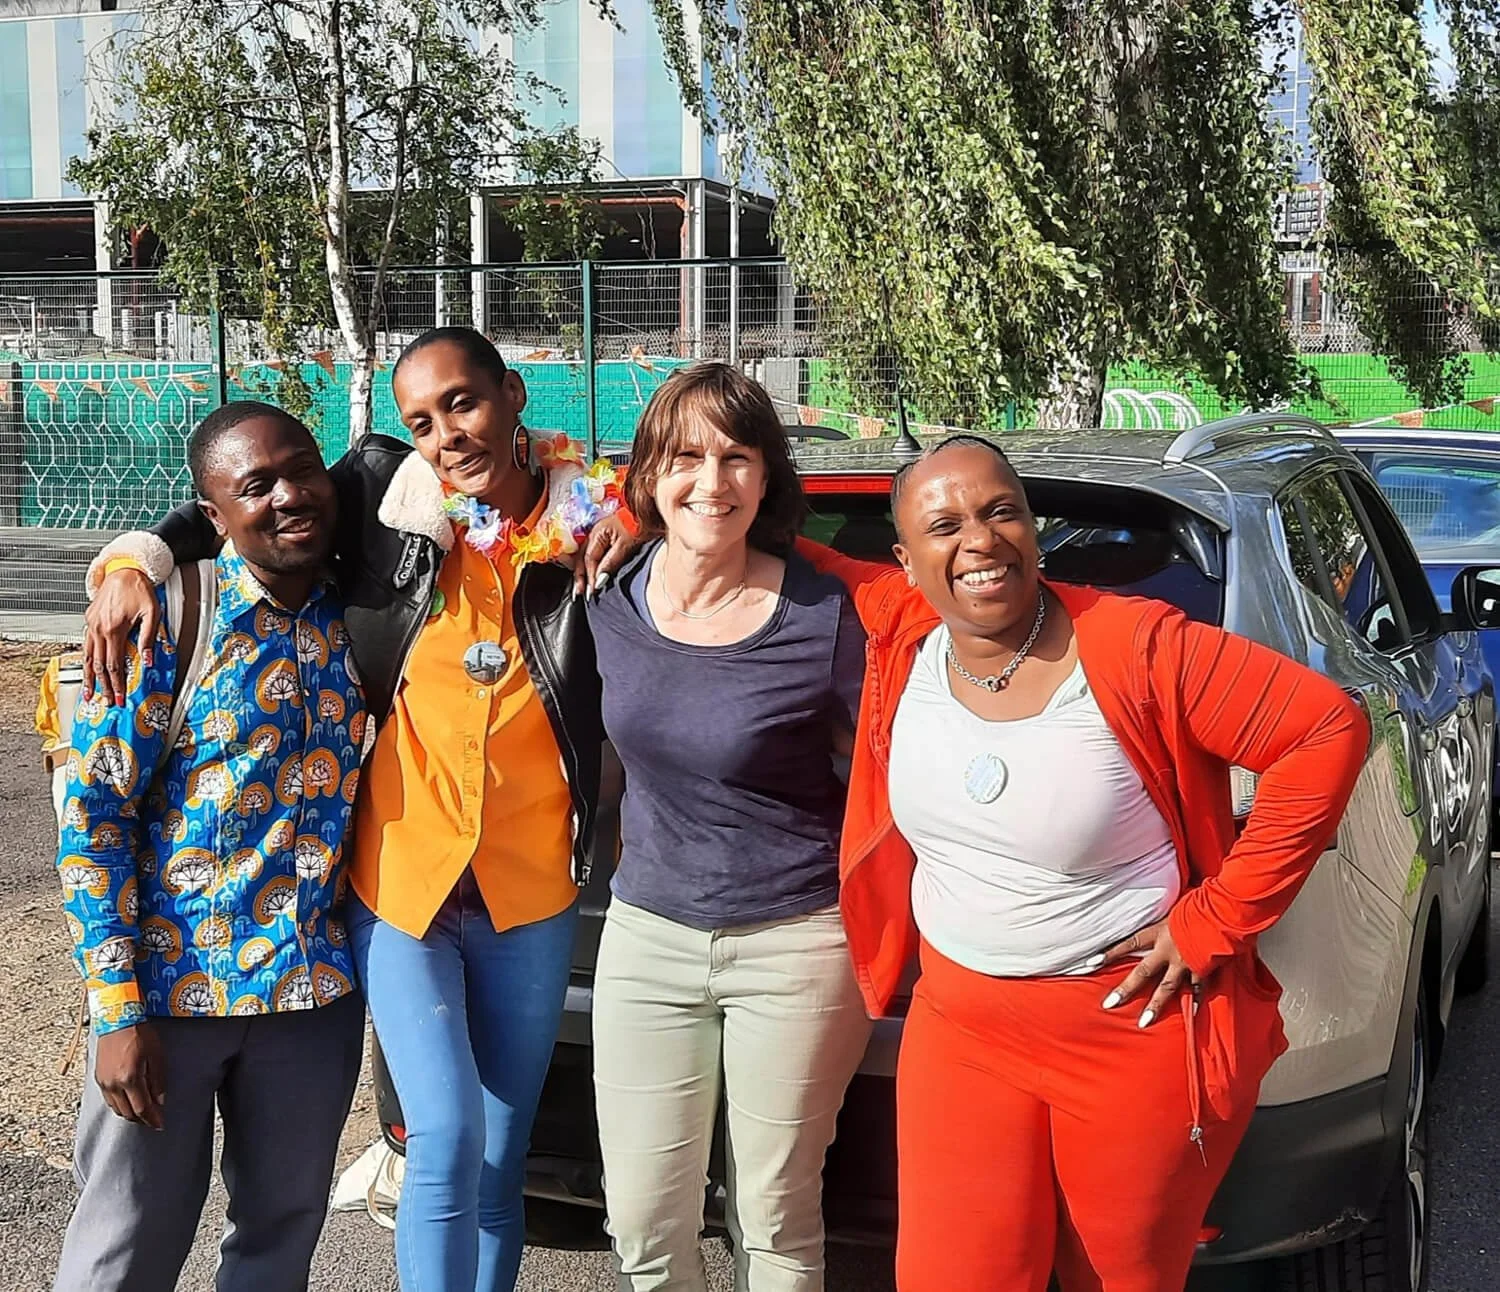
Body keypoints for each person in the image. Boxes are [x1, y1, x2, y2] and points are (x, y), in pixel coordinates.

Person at [80, 328, 612, 1292]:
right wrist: (134, 553)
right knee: (441, 1136)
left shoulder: (594, 517)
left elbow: (712, 540)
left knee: (492, 1158)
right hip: (389, 889)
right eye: (421, 418)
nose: (447, 432)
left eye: (464, 402)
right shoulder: (383, 502)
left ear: (513, 393)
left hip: (518, 891)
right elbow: (248, 495)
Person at [790, 434, 1370, 1292]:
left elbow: (1326, 731)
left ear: (1033, 527)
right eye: (944, 526)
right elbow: (772, 541)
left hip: (1125, 1034)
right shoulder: (906, 626)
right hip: (961, 1030)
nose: (980, 541)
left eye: (1001, 512)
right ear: (905, 563)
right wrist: (616, 508)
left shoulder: (1137, 646)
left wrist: (1217, 920)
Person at [53, 402, 368, 1292]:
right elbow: (93, 827)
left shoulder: (367, 608)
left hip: (313, 997)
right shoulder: (167, 617)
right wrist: (115, 1011)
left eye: (300, 470)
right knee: (125, 1244)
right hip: (169, 1001)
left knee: (279, 1241)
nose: (288, 496)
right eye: (254, 487)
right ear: (213, 512)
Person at [586, 363, 870, 1290]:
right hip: (647, 935)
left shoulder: (825, 616)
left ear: (767, 475)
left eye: (737, 457)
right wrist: (146, 549)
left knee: (776, 1214)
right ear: (647, 477)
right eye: (686, 457)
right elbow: (426, 486)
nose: (712, 482)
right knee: (641, 1217)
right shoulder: (605, 592)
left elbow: (901, 761)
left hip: (797, 943)